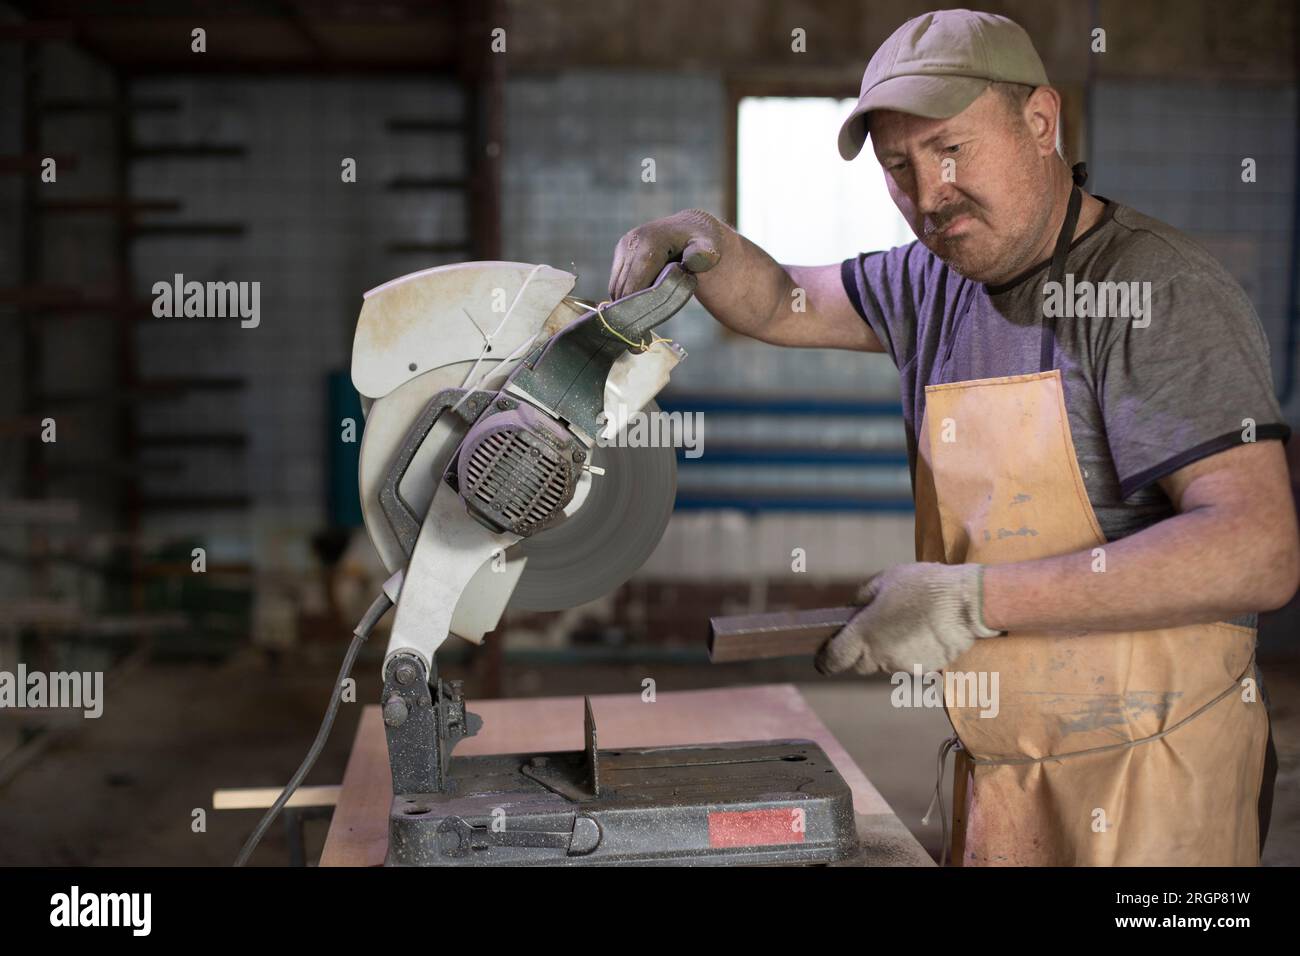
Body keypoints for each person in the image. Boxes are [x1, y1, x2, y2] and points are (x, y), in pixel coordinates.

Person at [607, 9, 1298, 865]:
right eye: (900, 166)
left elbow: (1258, 549)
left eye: (952, 150)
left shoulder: (1156, 291)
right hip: (1005, 770)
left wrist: (971, 602)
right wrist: (703, 237)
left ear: (1041, 123)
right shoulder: (929, 279)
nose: (929, 194)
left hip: (1157, 778)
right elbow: (778, 300)